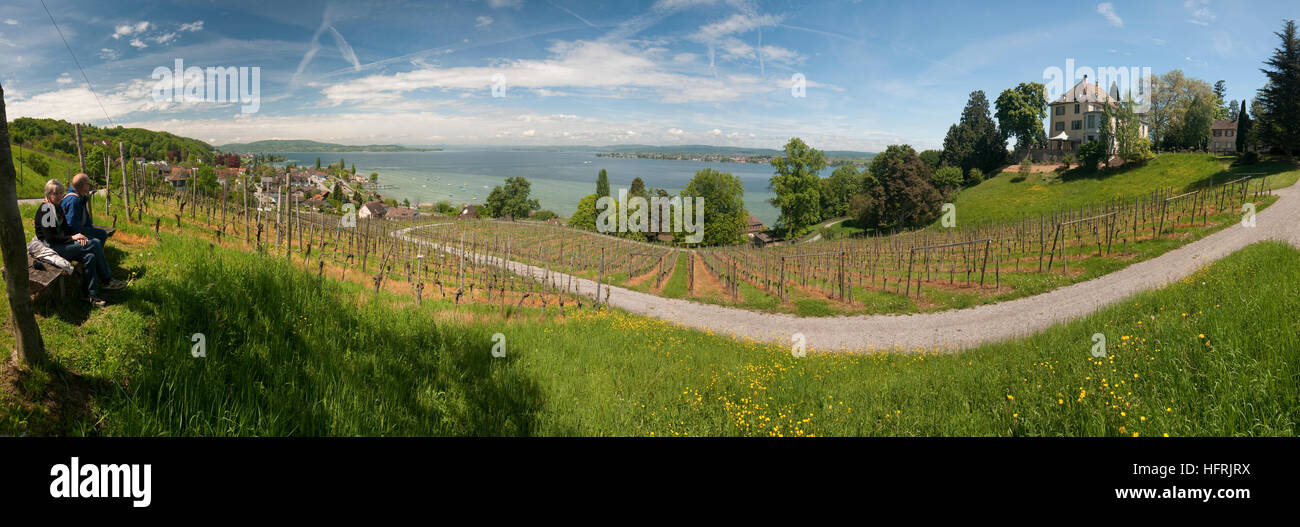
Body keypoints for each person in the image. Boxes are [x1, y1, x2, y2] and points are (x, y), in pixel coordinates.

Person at [35, 178, 126, 306]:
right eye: (59, 194)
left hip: (61, 243)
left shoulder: (57, 207)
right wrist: (73, 238)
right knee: (94, 243)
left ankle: (90, 294)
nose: (62, 196)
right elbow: (50, 238)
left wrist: (78, 236)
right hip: (51, 247)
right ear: (50, 195)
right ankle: (106, 280)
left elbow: (66, 229)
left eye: (62, 193)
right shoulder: (46, 210)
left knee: (90, 256)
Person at [62, 172, 112, 244]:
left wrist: (90, 229)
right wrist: (80, 236)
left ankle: (95, 252)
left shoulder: (79, 197)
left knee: (101, 234)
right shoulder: (73, 200)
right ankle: (94, 253)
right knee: (98, 239)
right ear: (84, 185)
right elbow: (71, 223)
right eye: (88, 184)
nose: (89, 186)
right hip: (74, 233)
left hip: (82, 229)